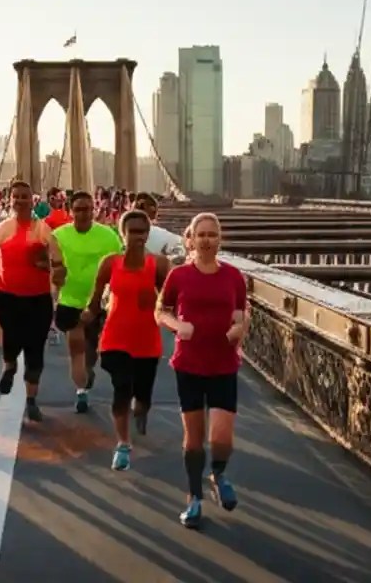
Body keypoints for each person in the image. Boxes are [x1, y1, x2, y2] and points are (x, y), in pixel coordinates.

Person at [158, 212, 248, 529]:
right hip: (190, 364)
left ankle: (218, 473)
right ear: (191, 239)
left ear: (219, 240)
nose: (207, 240)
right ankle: (193, 499)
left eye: (213, 234)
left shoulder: (235, 277)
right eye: (202, 234)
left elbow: (240, 314)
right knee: (194, 440)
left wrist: (238, 329)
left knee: (222, 439)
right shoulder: (179, 276)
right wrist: (176, 325)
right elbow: (161, 310)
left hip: (223, 363)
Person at [87, 209, 170, 471]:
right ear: (122, 234)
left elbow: (170, 302)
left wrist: (158, 302)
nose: (138, 237)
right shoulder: (110, 263)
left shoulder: (158, 264)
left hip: (147, 340)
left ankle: (142, 411)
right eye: (132, 231)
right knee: (122, 389)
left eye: (142, 232)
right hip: (116, 338)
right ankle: (123, 444)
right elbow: (94, 302)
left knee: (142, 397)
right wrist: (83, 318)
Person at [0, 179, 53, 422]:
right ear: (10, 200)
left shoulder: (43, 231)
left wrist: (48, 267)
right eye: (16, 196)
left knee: (35, 348)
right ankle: (9, 366)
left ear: (33, 200)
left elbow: (58, 262)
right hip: (9, 297)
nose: (21, 200)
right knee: (11, 339)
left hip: (38, 298)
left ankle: (31, 400)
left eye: (25, 196)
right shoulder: (1, 229)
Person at [48, 190, 124, 413]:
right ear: (71, 212)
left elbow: (118, 267)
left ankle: (87, 372)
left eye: (88, 209)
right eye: (79, 209)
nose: (84, 214)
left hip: (99, 302)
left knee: (91, 350)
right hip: (69, 300)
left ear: (94, 210)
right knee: (76, 347)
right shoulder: (59, 236)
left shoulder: (109, 236)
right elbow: (49, 263)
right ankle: (81, 391)